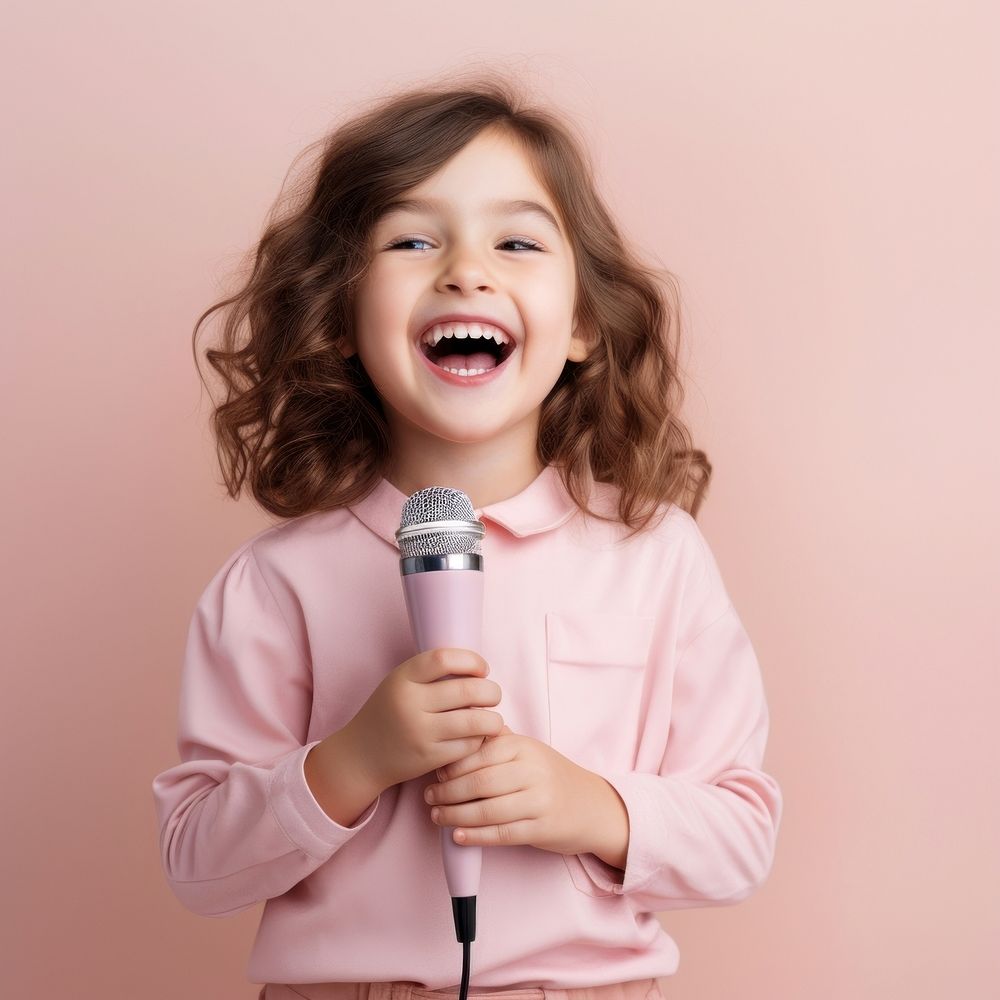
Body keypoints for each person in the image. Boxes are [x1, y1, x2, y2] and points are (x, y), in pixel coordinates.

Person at [151, 71, 783, 1000]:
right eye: (412, 239)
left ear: (580, 325)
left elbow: (742, 838)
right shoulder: (275, 583)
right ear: (336, 320)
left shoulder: (655, 559)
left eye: (518, 241)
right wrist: (350, 764)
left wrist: (593, 808)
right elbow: (197, 866)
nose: (466, 270)